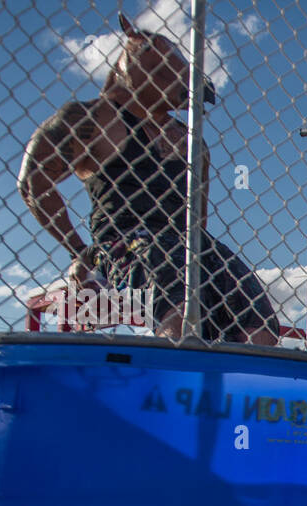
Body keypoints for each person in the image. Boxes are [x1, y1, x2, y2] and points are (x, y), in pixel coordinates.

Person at [18, 14, 278, 344]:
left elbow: (196, 221)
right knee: (180, 306)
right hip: (125, 240)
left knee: (253, 312)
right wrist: (80, 252)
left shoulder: (190, 141)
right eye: (159, 64)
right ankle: (177, 371)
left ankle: (241, 386)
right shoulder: (92, 117)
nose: (174, 82)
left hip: (187, 242)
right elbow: (33, 182)